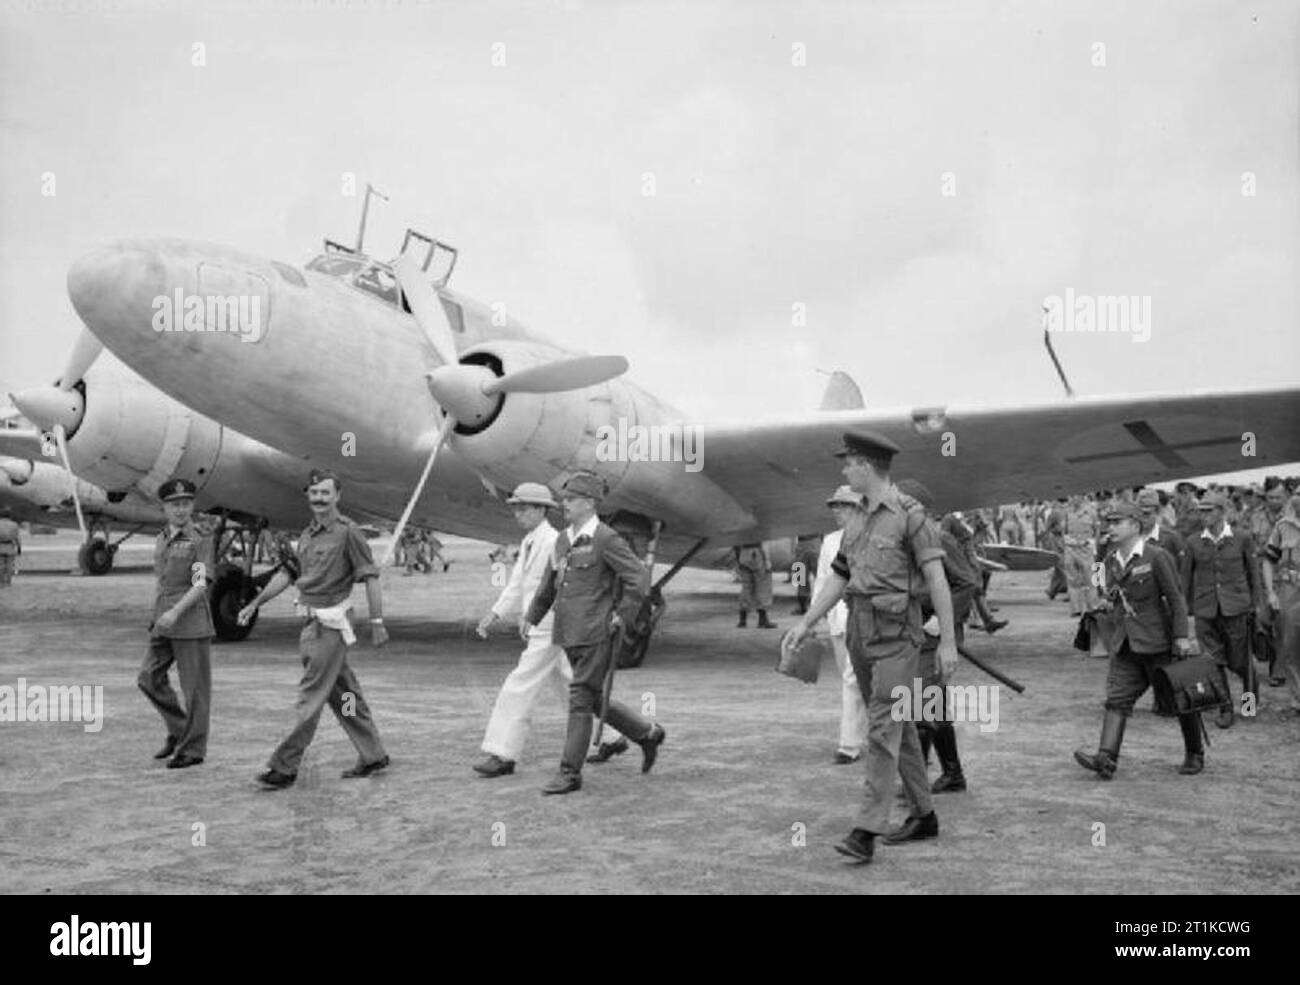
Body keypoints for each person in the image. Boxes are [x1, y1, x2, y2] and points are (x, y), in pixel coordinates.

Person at [784, 431, 958, 865]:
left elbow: (937, 579)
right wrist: (806, 622)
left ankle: (866, 829)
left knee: (882, 726)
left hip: (899, 636)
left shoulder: (910, 517)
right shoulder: (857, 518)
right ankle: (925, 814)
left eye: (849, 463)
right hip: (860, 629)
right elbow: (839, 577)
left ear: (867, 465)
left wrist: (949, 643)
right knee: (898, 727)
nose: (844, 470)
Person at [237, 469, 390, 788]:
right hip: (310, 623)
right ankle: (373, 754)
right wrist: (254, 604)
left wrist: (377, 622)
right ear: (308, 495)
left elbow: (370, 577)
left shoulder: (349, 533)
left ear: (338, 496)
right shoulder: (307, 535)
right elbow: (288, 575)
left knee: (310, 697)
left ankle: (284, 767)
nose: (319, 498)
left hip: (330, 627)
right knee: (343, 692)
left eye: (325, 493)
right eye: (314, 493)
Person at [523, 471, 665, 795]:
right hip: (569, 631)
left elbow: (639, 579)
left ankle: (569, 772)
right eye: (564, 499)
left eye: (570, 499)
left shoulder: (606, 538)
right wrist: (532, 617)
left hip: (596, 631)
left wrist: (621, 615)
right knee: (592, 697)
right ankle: (646, 733)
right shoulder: (563, 540)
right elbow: (550, 583)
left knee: (579, 699)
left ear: (588, 503)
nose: (564, 504)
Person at [473, 482, 624, 777]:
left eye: (525, 508)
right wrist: (495, 613)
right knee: (572, 686)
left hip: (553, 624)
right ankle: (612, 738)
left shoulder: (555, 541)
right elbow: (518, 583)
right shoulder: (531, 541)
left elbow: (558, 586)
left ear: (542, 510)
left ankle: (502, 753)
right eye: (516, 508)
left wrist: (540, 619)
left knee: (519, 684)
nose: (519, 514)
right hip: (540, 623)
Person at [1074, 502, 1199, 777]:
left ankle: (1194, 753)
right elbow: (1105, 593)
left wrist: (1181, 636)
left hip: (1158, 641)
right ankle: (1106, 758)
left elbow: (1176, 599)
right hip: (1126, 642)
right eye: (1109, 523)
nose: (1111, 528)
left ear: (1134, 525)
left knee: (1180, 698)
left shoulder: (1157, 556)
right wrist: (1105, 603)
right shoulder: (1108, 560)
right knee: (1117, 698)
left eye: (1117, 522)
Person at [896, 480, 979, 795]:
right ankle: (953, 775)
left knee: (921, 710)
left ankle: (913, 787)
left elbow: (968, 583)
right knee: (935, 707)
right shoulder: (905, 540)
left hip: (936, 634)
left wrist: (939, 624)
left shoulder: (939, 537)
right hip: (917, 634)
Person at [136, 478, 214, 769]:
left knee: (195, 689)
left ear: (192, 506)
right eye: (174, 505)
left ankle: (193, 750)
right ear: (164, 508)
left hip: (190, 619)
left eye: (186, 504)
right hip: (163, 619)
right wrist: (157, 616)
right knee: (148, 677)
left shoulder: (200, 538)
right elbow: (162, 581)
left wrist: (175, 612)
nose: (181, 510)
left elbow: (200, 583)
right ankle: (179, 730)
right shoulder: (162, 537)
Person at [1182, 489, 1260, 729]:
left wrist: (1256, 606)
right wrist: (1184, 613)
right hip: (1206, 609)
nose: (1203, 515)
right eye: (1201, 510)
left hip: (1236, 608)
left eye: (1209, 510)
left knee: (1240, 662)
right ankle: (1225, 707)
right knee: (1213, 662)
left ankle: (1249, 703)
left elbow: (1253, 575)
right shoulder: (1193, 541)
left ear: (1222, 511)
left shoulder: (1241, 537)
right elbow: (1185, 580)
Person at [817, 486, 869, 764]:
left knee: (853, 680)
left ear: (858, 508)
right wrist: (814, 621)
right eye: (834, 506)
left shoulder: (873, 537)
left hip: (866, 618)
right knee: (852, 680)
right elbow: (824, 581)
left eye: (842, 506)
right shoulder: (830, 541)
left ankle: (848, 745)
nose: (836, 511)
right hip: (838, 619)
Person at [1262, 493, 1300, 715]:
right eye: (1296, 495)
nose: (1298, 499)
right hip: (1289, 591)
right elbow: (1268, 560)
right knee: (1290, 645)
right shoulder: (1282, 527)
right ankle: (1298, 699)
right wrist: (1270, 593)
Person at [1251, 480, 1288, 685]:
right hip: (1261, 577)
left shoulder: (1292, 518)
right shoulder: (1255, 516)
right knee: (1262, 622)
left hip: (1285, 578)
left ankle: (1278, 670)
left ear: (1286, 497)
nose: (1274, 501)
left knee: (1282, 626)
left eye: (1278, 497)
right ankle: (1268, 657)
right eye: (1270, 497)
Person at [1063, 494, 1099, 617]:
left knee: (1091, 580)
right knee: (1073, 580)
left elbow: (1096, 530)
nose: (1072, 498)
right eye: (1071, 496)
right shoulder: (1067, 512)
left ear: (1082, 497)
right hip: (1071, 548)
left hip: (1086, 549)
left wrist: (1095, 547)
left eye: (1075, 495)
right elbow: (1064, 531)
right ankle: (1076, 609)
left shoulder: (1091, 512)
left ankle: (1093, 607)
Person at [1136, 488, 1187, 572]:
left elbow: (1183, 568)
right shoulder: (1131, 538)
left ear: (1157, 512)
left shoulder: (1171, 537)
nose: (1142, 519)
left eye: (1147, 514)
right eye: (1139, 514)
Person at [734, 543, 776, 628]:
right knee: (763, 586)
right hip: (756, 553)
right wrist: (767, 560)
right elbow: (764, 542)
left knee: (746, 587)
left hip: (743, 553)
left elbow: (735, 545)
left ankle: (742, 620)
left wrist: (738, 559)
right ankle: (762, 620)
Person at [0, 506, 20, 587]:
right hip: (10, 547)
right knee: (9, 566)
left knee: (0, 566)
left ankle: (1, 582)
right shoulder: (14, 525)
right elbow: (17, 538)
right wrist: (19, 548)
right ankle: (8, 582)